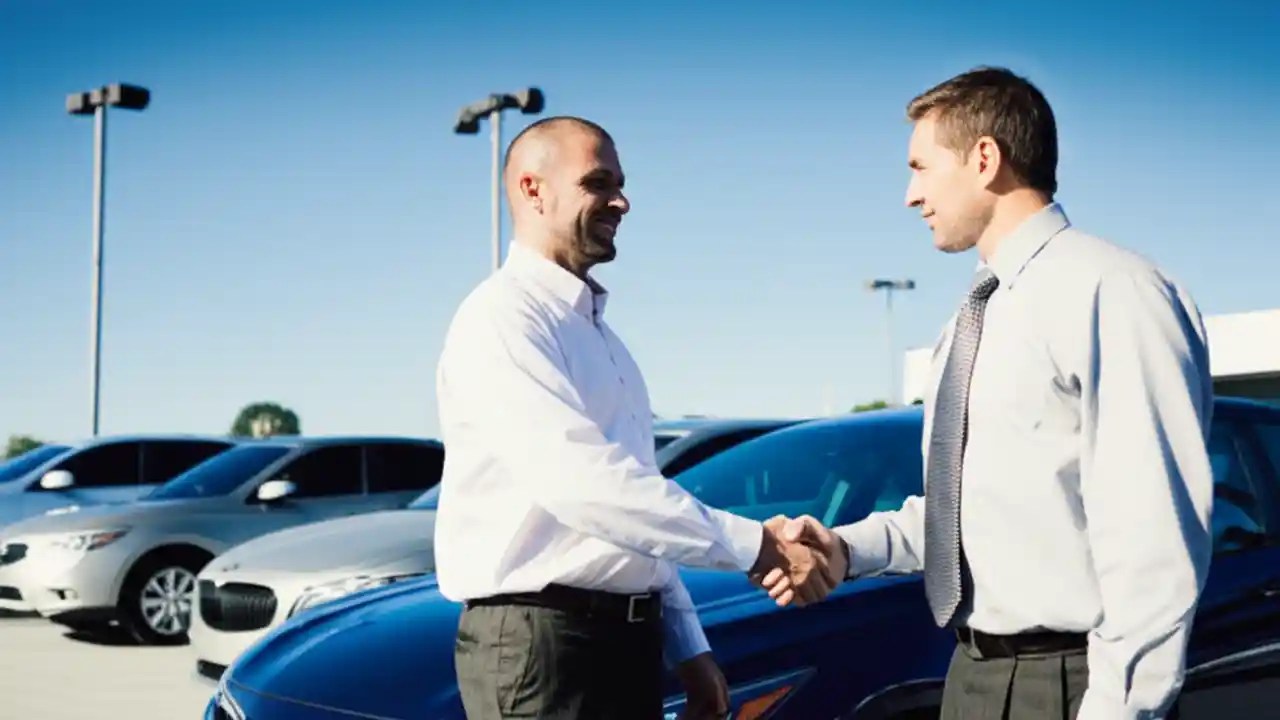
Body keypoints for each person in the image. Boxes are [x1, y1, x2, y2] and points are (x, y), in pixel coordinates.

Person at [763, 67, 1214, 719]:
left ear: (984, 159)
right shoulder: (973, 318)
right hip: (969, 675)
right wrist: (843, 549)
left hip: (1075, 685)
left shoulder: (1113, 293)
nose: (910, 195)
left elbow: (1155, 539)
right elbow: (963, 513)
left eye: (920, 167)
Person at [433, 116, 842, 720]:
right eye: (598, 183)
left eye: (620, 184)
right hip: (543, 652)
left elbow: (635, 505)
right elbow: (588, 489)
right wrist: (758, 546)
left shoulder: (606, 342)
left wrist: (689, 647)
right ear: (531, 188)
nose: (621, 201)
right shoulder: (502, 320)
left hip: (622, 646)